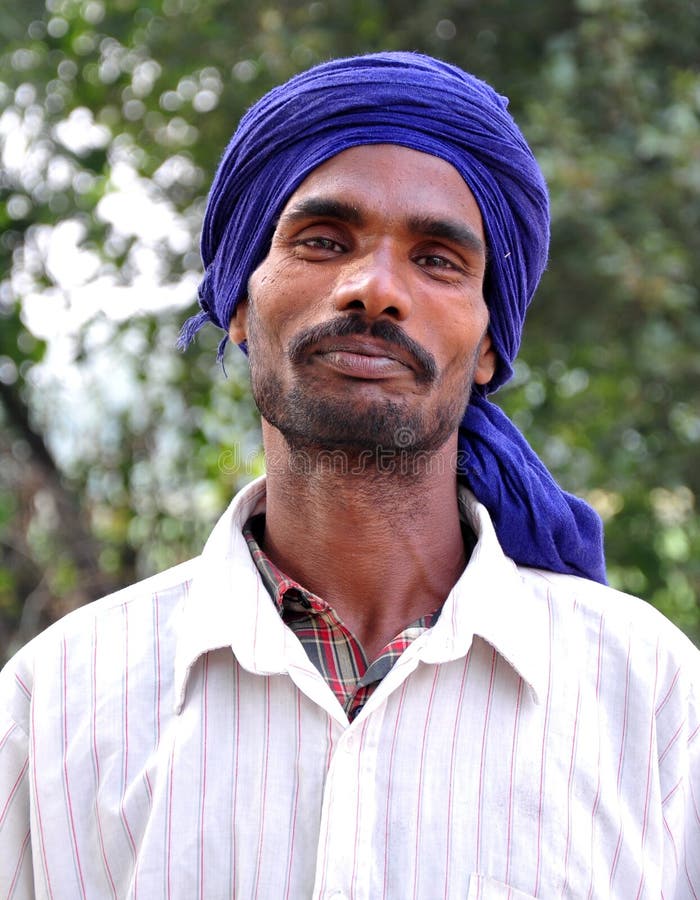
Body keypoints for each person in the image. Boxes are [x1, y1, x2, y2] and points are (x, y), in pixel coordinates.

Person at [1, 52, 698, 899]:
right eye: (323, 242)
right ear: (238, 304)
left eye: (439, 259)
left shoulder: (651, 696)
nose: (373, 290)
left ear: (488, 346)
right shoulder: (57, 701)